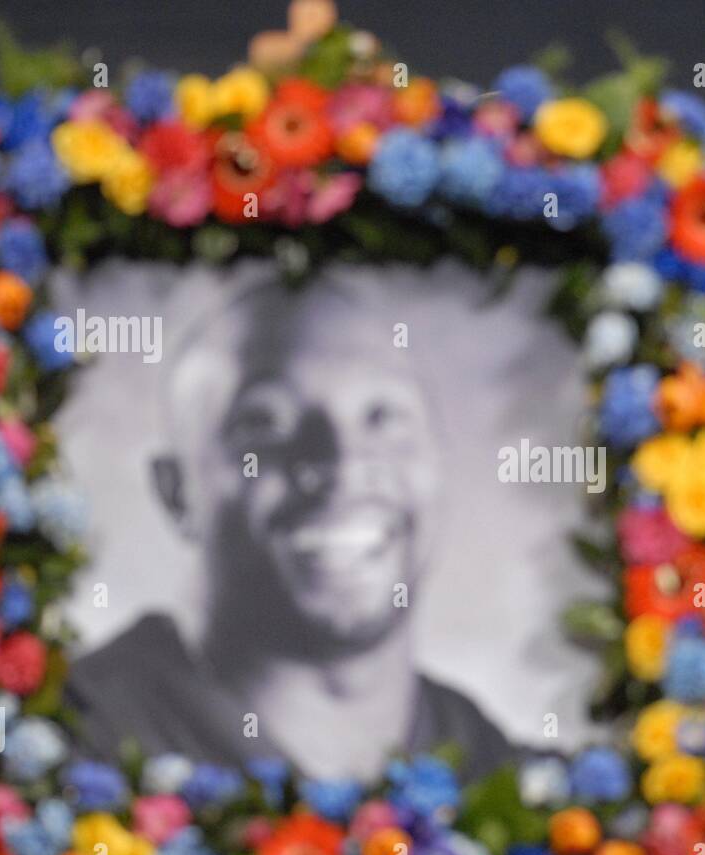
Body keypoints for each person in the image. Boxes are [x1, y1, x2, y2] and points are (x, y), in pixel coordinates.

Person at [67, 266, 516, 784]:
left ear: (442, 459)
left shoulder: (500, 776)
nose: (343, 467)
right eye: (265, 424)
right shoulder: (68, 755)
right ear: (177, 494)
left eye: (382, 417)